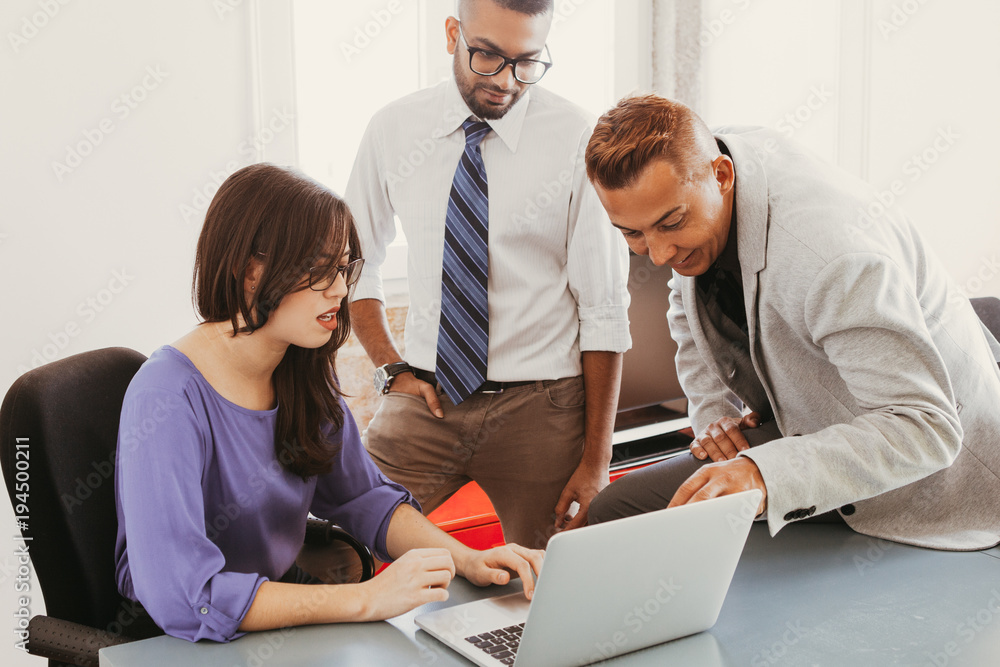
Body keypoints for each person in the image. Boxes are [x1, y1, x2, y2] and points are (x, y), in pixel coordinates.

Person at [114, 164, 543, 643]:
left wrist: (468, 560)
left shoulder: (299, 370)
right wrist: (365, 598)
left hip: (272, 626)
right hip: (179, 644)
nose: (340, 289)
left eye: (343, 268)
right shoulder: (167, 396)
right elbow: (186, 596)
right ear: (248, 269)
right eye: (318, 269)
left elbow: (366, 498)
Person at [584, 95, 1000, 550]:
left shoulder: (832, 258)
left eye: (671, 223)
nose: (658, 255)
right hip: (811, 417)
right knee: (614, 511)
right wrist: (714, 422)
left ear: (722, 176)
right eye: (631, 233)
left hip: (929, 464)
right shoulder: (705, 168)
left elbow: (926, 427)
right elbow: (688, 304)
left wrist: (762, 473)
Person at [345, 0, 631, 549]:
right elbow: (356, 264)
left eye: (527, 62)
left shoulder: (577, 135)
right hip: (426, 398)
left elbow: (603, 308)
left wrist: (597, 462)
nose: (506, 81)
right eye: (488, 57)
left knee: (557, 580)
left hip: (542, 408)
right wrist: (389, 368)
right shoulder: (393, 129)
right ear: (453, 33)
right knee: (340, 541)